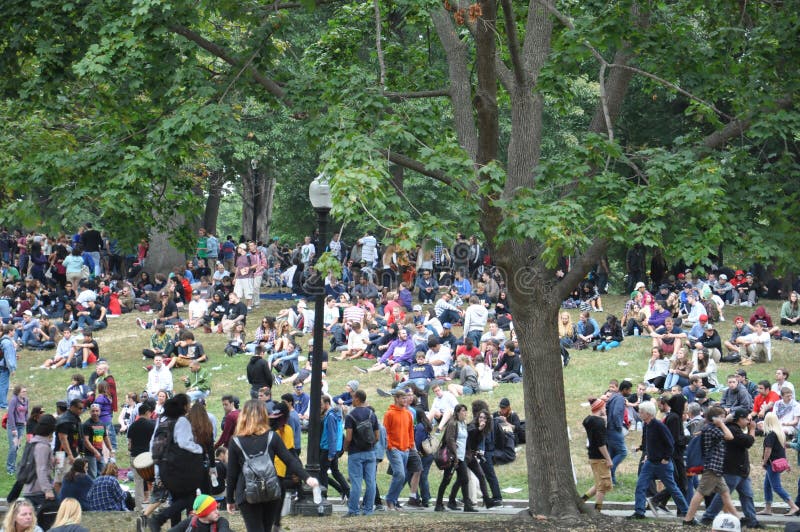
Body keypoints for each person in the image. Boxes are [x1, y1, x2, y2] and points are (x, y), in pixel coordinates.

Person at [226, 399, 318, 531]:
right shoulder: (271, 437)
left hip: (247, 492)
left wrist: (230, 499)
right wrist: (307, 477)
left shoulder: (235, 442)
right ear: (264, 415)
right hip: (271, 489)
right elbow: (290, 460)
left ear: (243, 416)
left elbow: (232, 474)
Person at [627, 402, 689, 520]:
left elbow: (670, 443)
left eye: (641, 412)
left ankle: (686, 512)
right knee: (640, 486)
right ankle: (639, 512)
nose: (639, 414)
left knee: (672, 488)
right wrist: (647, 454)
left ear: (648, 413)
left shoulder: (659, 426)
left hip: (662, 464)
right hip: (650, 462)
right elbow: (650, 443)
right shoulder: (647, 425)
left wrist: (666, 458)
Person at [700, 408, 760, 529]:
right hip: (732, 469)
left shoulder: (734, 428)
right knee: (723, 496)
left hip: (741, 470)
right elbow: (748, 442)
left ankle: (752, 520)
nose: (748, 421)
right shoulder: (732, 429)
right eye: (746, 419)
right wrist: (752, 429)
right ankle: (708, 517)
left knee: (747, 495)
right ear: (739, 419)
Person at [682, 406, 740, 525]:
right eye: (722, 417)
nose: (723, 420)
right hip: (712, 467)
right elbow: (730, 436)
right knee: (700, 492)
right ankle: (688, 519)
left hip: (716, 468)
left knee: (725, 494)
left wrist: (722, 422)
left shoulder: (711, 428)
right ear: (715, 418)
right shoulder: (712, 429)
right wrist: (722, 424)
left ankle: (736, 519)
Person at [434, 404, 478, 512]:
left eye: (466, 411)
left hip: (461, 457)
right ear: (457, 412)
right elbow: (450, 440)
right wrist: (455, 454)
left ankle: (467, 505)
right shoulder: (453, 424)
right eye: (463, 411)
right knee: (446, 480)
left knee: (464, 479)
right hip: (453, 457)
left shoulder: (463, 423)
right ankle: (438, 504)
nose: (465, 413)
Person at [342, 389, 379, 517]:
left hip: (355, 453)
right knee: (371, 481)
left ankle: (353, 510)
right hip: (370, 452)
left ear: (357, 399)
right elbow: (377, 436)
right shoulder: (371, 414)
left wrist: (346, 448)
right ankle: (368, 509)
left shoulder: (350, 416)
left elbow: (348, 437)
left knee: (356, 482)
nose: (352, 400)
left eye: (353, 398)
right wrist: (371, 445)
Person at [758, 412, 800, 516]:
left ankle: (793, 506)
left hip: (772, 464)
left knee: (776, 487)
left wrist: (764, 462)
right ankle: (768, 509)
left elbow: (768, 450)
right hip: (779, 463)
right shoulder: (780, 433)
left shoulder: (770, 434)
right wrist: (787, 462)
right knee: (767, 485)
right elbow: (782, 450)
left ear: (767, 421)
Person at [383, 388, 415, 511]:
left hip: (406, 448)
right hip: (394, 448)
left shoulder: (408, 414)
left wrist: (410, 445)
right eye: (403, 398)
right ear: (396, 399)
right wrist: (390, 445)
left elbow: (410, 430)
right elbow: (386, 431)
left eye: (406, 398)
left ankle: (393, 500)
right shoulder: (389, 413)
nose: (405, 400)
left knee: (403, 476)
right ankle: (389, 499)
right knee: (400, 474)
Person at [581, 397, 613, 511]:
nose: (605, 408)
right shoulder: (598, 423)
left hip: (592, 455)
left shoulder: (588, 420)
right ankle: (597, 511)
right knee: (603, 486)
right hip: (600, 458)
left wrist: (604, 419)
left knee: (598, 483)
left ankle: (581, 501)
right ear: (600, 408)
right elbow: (601, 444)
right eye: (604, 406)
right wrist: (608, 459)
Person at [21, 414, 57, 511]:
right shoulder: (42, 446)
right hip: (38, 491)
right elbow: (41, 469)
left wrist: (52, 462)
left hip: (30, 489)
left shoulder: (33, 442)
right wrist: (48, 490)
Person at [127, 402, 155, 513]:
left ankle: (138, 507)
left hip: (135, 456)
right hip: (148, 457)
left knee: (138, 482)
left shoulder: (133, 426)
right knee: (152, 481)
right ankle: (153, 507)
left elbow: (129, 444)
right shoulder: (152, 425)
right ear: (147, 412)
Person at [606, 380, 631, 485]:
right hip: (614, 429)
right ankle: (610, 473)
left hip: (608, 429)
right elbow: (616, 413)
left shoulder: (613, 396)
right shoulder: (620, 398)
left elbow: (607, 408)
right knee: (622, 452)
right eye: (629, 390)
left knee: (612, 453)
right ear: (624, 390)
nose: (630, 392)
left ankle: (610, 479)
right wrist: (618, 426)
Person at [81, 403, 112, 479]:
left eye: (97, 411)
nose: (95, 413)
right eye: (93, 411)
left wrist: (111, 449)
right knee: (93, 475)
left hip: (99, 453)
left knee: (103, 473)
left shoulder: (102, 424)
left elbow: (105, 437)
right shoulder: (87, 424)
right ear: (90, 412)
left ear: (100, 412)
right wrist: (95, 452)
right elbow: (85, 441)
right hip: (90, 455)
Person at [6, 385, 28, 475]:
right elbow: (10, 414)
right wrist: (13, 428)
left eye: (25, 391)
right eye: (23, 391)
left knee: (17, 447)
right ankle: (10, 468)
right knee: (13, 447)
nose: (25, 393)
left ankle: (13, 466)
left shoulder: (26, 400)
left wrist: (26, 420)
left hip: (21, 426)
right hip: (13, 426)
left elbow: (27, 412)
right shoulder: (14, 400)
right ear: (18, 392)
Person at [0, 324, 19, 409]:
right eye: (14, 330)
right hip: (4, 367)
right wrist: (12, 369)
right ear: (10, 331)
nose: (14, 332)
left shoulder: (4, 340)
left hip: (2, 365)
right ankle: (3, 404)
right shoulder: (7, 342)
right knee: (4, 385)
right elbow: (8, 357)